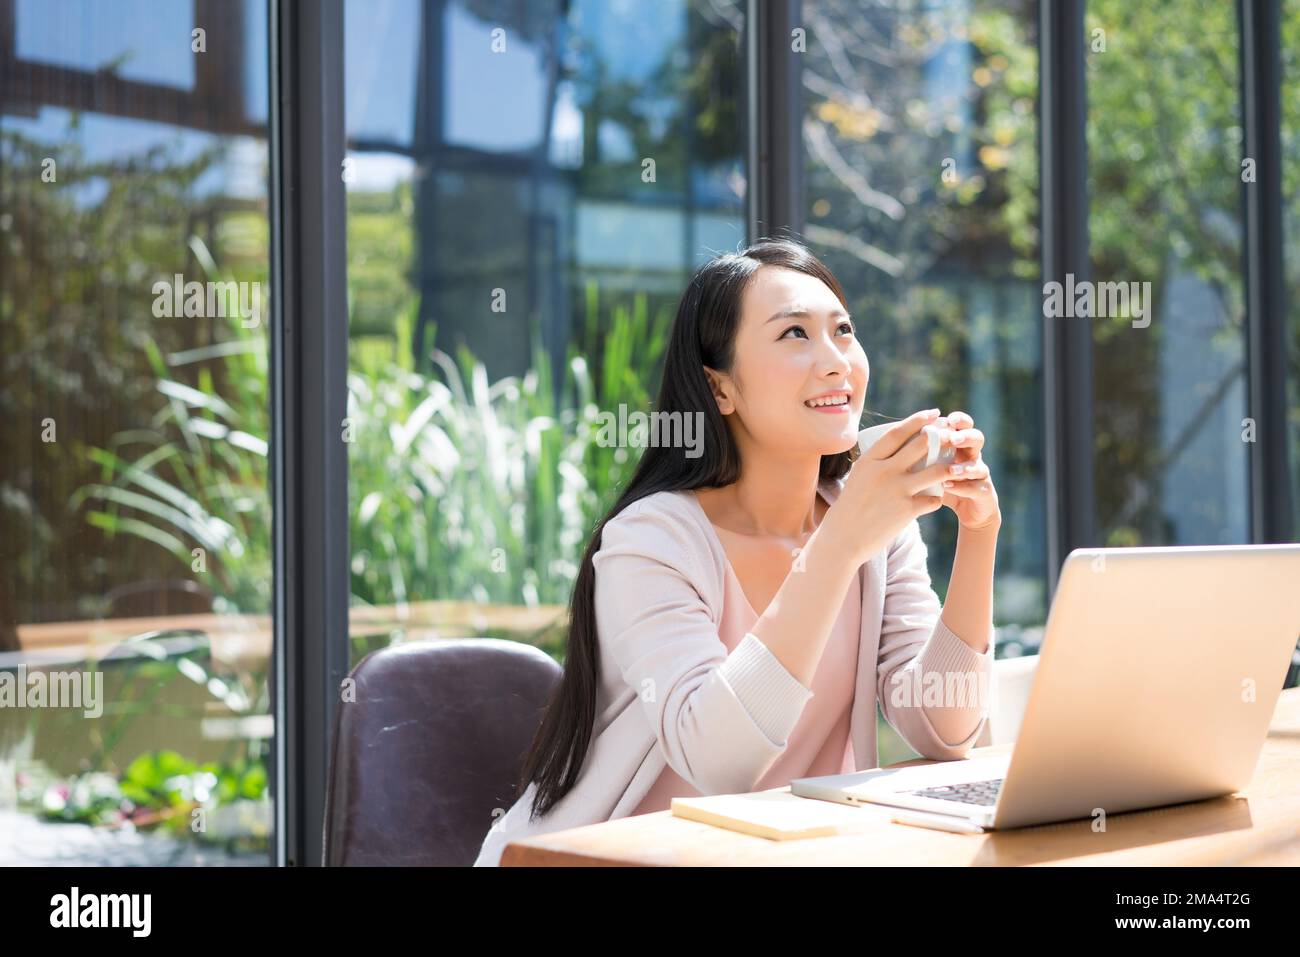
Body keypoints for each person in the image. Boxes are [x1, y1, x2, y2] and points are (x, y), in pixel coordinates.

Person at [473, 238, 1000, 866]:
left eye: (843, 331)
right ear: (720, 389)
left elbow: (942, 728)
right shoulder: (650, 542)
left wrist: (979, 537)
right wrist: (840, 545)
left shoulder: (871, 529)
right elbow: (719, 759)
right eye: (794, 335)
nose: (835, 361)